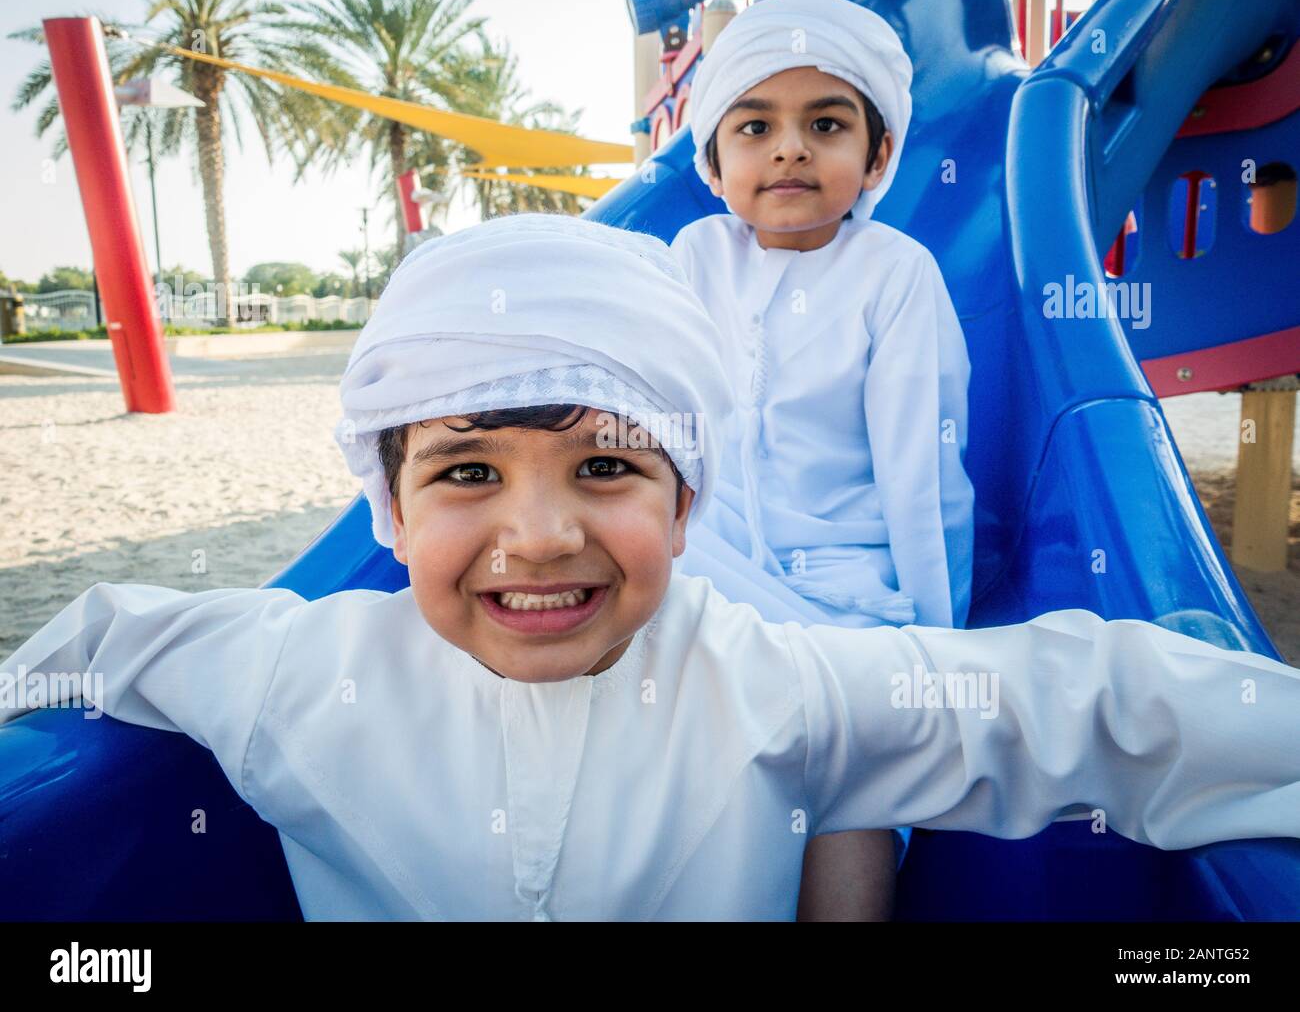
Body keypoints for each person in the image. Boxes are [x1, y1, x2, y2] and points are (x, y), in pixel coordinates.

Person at [2, 214, 1298, 923]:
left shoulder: (767, 682)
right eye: (466, 473)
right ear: (385, 513)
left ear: (687, 505)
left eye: (607, 470)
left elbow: (1088, 700)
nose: (541, 532)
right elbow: (101, 635)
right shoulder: (290, 670)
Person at [669, 0, 974, 914]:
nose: (790, 146)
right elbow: (655, 423)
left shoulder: (894, 276)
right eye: (754, 126)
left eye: (826, 123)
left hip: (849, 590)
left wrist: (933, 642)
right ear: (714, 164)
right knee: (668, 723)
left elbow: (922, 477)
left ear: (877, 156)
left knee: (854, 746)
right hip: (707, 567)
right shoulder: (693, 256)